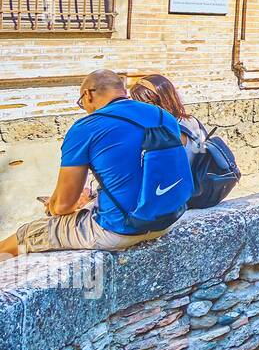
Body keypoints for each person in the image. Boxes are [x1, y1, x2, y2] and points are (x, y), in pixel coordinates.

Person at [0, 70, 188, 257]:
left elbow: (64, 205)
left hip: (121, 230)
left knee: (28, 233)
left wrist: (52, 206)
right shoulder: (164, 116)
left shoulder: (86, 127)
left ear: (88, 94)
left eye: (82, 103)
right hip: (168, 220)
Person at [129, 73, 206, 162]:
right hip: (197, 175)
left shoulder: (158, 133)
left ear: (160, 101)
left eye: (144, 104)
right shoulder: (191, 121)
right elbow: (202, 153)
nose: (138, 110)